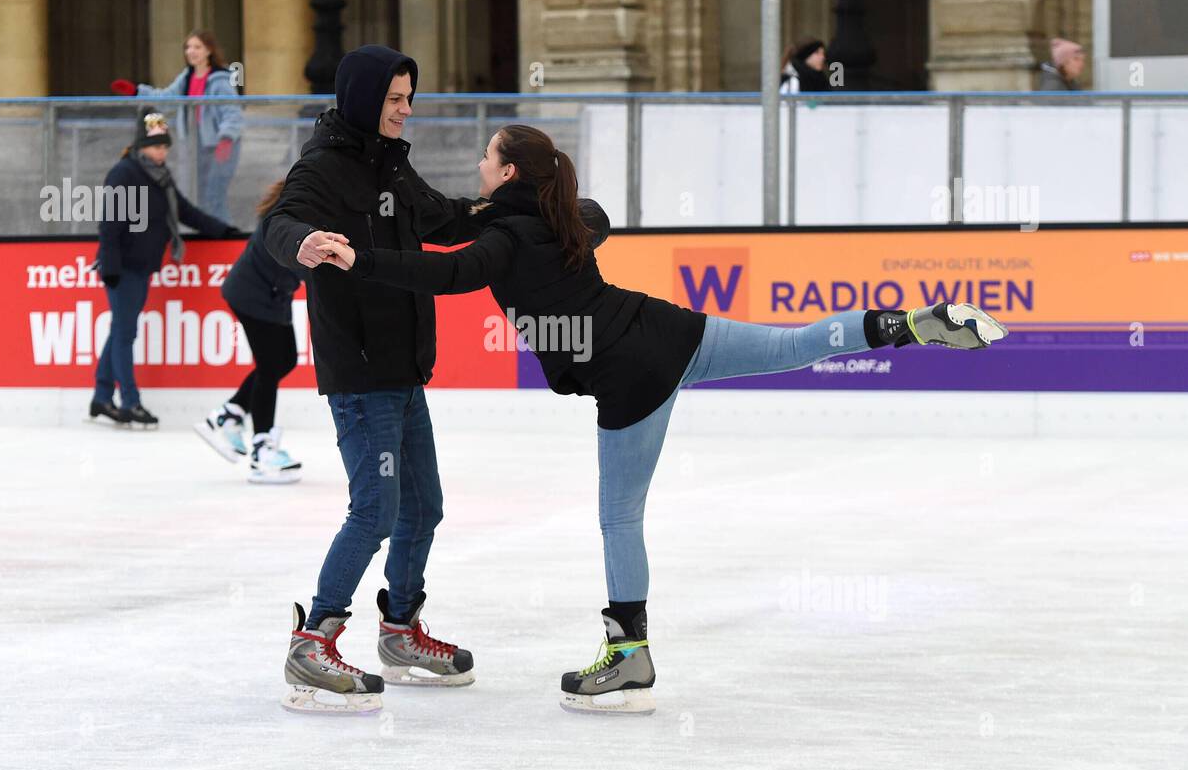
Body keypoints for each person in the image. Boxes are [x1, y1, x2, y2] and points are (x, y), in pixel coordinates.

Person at [307, 123, 1010, 716]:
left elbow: (451, 275)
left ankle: (629, 656)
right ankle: (905, 325)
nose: (478, 167)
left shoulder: (510, 237)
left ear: (508, 170)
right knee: (793, 344)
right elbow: (594, 218)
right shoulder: (558, 216)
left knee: (621, 518)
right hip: (670, 332)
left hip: (629, 374)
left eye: (487, 158)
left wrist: (359, 257)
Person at [262, 45, 598, 714]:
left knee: (425, 508)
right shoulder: (324, 167)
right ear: (363, 99)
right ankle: (312, 640)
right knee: (376, 510)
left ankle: (400, 628)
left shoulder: (392, 163)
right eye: (394, 99)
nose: (406, 109)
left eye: (409, 97)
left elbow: (445, 216)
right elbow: (278, 220)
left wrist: (525, 208)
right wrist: (296, 242)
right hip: (359, 370)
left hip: (405, 367)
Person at [89, 107, 239, 428]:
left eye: (165, 146)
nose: (162, 152)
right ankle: (130, 402)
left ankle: (102, 398)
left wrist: (222, 229)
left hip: (141, 267)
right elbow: (110, 225)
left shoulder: (161, 177)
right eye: (157, 146)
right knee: (125, 334)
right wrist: (111, 266)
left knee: (120, 330)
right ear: (141, 145)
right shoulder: (124, 173)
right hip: (123, 268)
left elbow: (184, 211)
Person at [195, 180, 305, 484]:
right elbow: (306, 266)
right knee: (271, 366)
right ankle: (261, 451)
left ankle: (229, 414)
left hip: (272, 296)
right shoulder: (284, 216)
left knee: (285, 360)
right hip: (252, 295)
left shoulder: (301, 210)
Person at [112, 30, 244, 220]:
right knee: (197, 195)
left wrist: (226, 138)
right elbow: (166, 98)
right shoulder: (187, 77)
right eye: (188, 47)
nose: (191, 51)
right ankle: (206, 238)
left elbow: (232, 113)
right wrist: (137, 91)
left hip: (219, 146)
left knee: (214, 196)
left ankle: (225, 236)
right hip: (195, 145)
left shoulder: (220, 79)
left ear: (209, 50)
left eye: (197, 47)